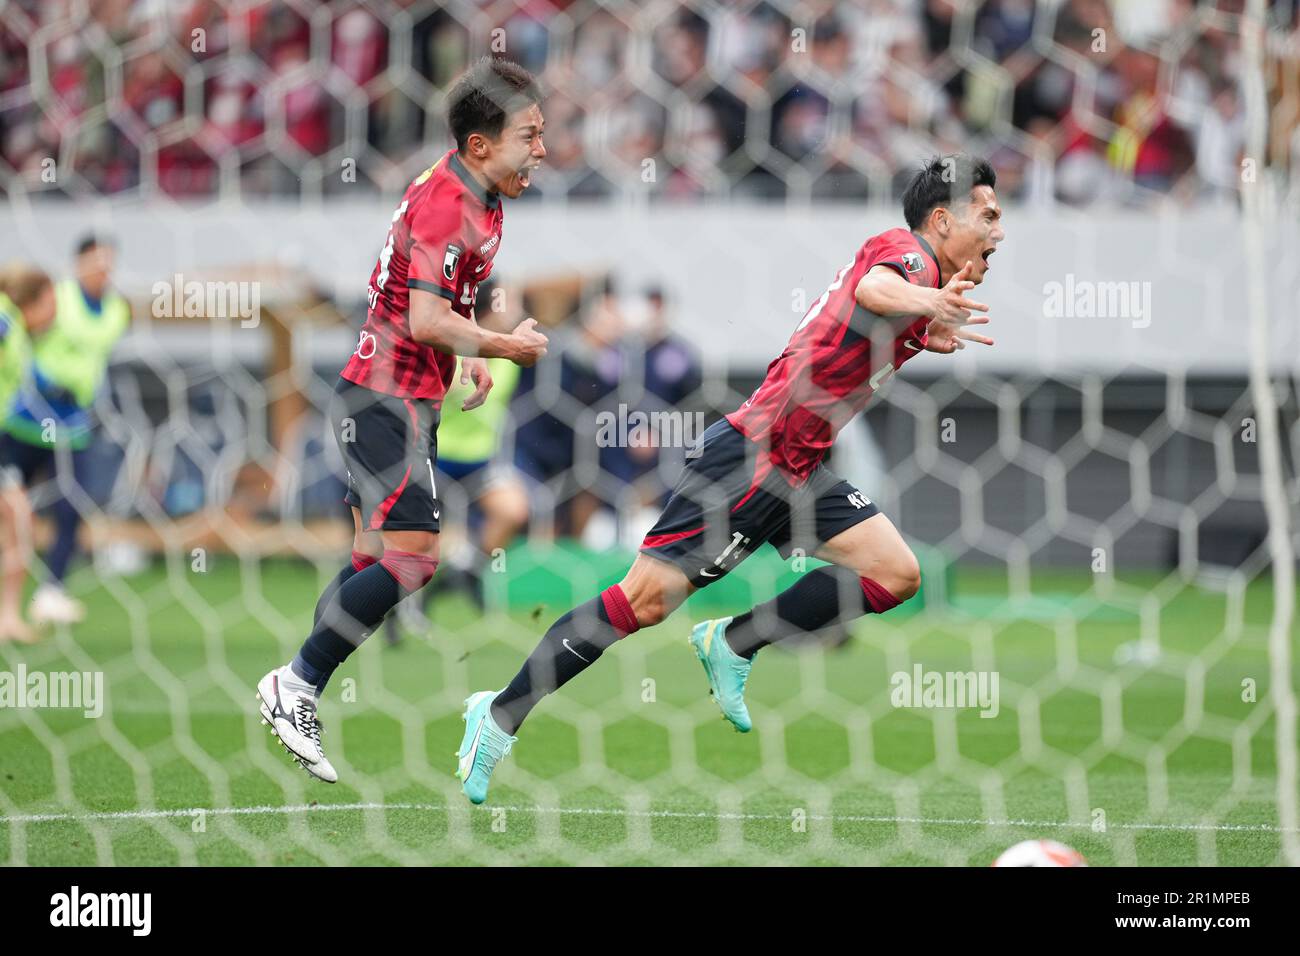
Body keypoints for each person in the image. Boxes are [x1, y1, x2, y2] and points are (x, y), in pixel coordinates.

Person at [456, 154, 1004, 804]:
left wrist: (922, 326)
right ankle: (496, 718)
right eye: (988, 214)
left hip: (801, 465)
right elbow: (873, 289)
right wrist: (925, 302)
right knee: (644, 603)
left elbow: (870, 318)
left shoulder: (921, 286)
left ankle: (733, 642)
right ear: (942, 219)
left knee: (896, 573)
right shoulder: (908, 256)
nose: (999, 230)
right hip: (753, 459)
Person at [255, 56, 550, 783]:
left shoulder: (481, 193)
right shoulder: (451, 203)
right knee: (414, 557)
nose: (542, 150)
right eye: (530, 136)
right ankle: (294, 685)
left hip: (399, 397)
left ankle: (299, 686)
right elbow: (421, 317)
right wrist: (502, 344)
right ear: (481, 143)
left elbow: (441, 301)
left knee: (369, 561)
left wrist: (471, 353)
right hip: (384, 399)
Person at [0, 235, 130, 626]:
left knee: (68, 503)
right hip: (26, 416)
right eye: (95, 261)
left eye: (109, 262)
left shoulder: (116, 311)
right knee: (16, 515)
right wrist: (42, 378)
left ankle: (49, 592)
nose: (102, 270)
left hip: (72, 420)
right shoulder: (45, 304)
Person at [0, 264, 58, 643]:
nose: (56, 311)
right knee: (18, 521)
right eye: (53, 301)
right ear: (35, 300)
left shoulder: (17, 329)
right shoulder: (5, 320)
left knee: (16, 524)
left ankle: (7, 619)